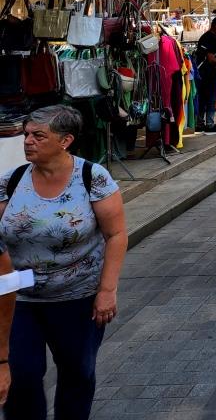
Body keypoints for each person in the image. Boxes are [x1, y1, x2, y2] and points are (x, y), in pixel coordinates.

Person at [1, 106, 126, 417]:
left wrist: (107, 291)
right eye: (27, 134)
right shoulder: (11, 181)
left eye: (38, 136)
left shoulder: (92, 178)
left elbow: (117, 234)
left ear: (65, 140)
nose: (28, 141)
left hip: (78, 296)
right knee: (22, 377)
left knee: (77, 373)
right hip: (21, 299)